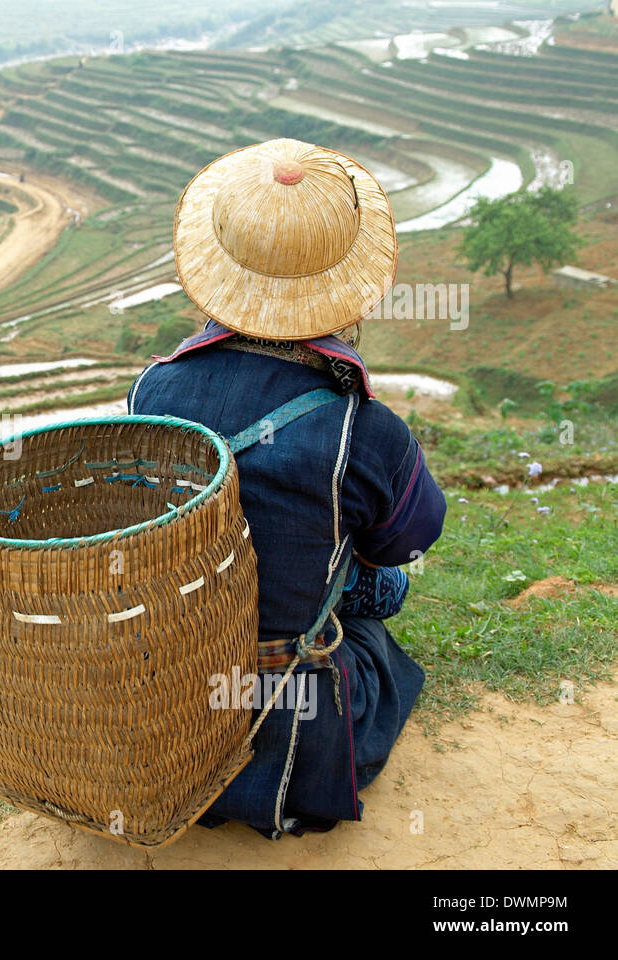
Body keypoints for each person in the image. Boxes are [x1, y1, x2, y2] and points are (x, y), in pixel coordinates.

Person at [126, 138, 445, 839]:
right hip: (291, 710)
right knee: (385, 586)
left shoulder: (151, 389)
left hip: (174, 689)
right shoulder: (364, 428)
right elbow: (409, 537)